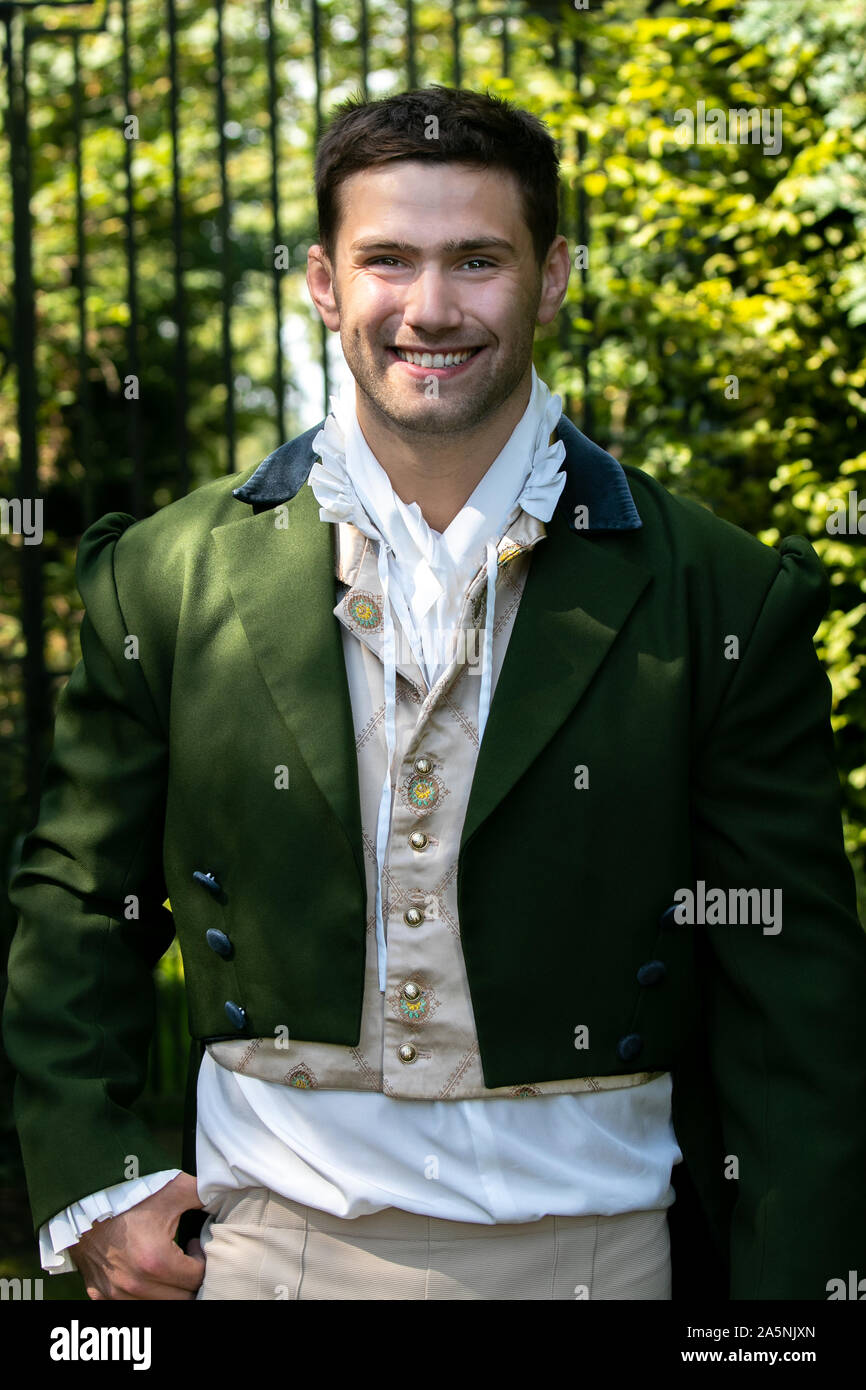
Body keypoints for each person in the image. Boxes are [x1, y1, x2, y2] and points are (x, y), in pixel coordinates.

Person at [4, 84, 866, 1302]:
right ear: (320, 281)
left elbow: (794, 995)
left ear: (551, 274)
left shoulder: (721, 596)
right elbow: (79, 905)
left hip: (604, 1256)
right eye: (386, 260)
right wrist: (99, 1175)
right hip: (262, 1256)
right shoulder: (164, 575)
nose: (430, 308)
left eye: (477, 259)